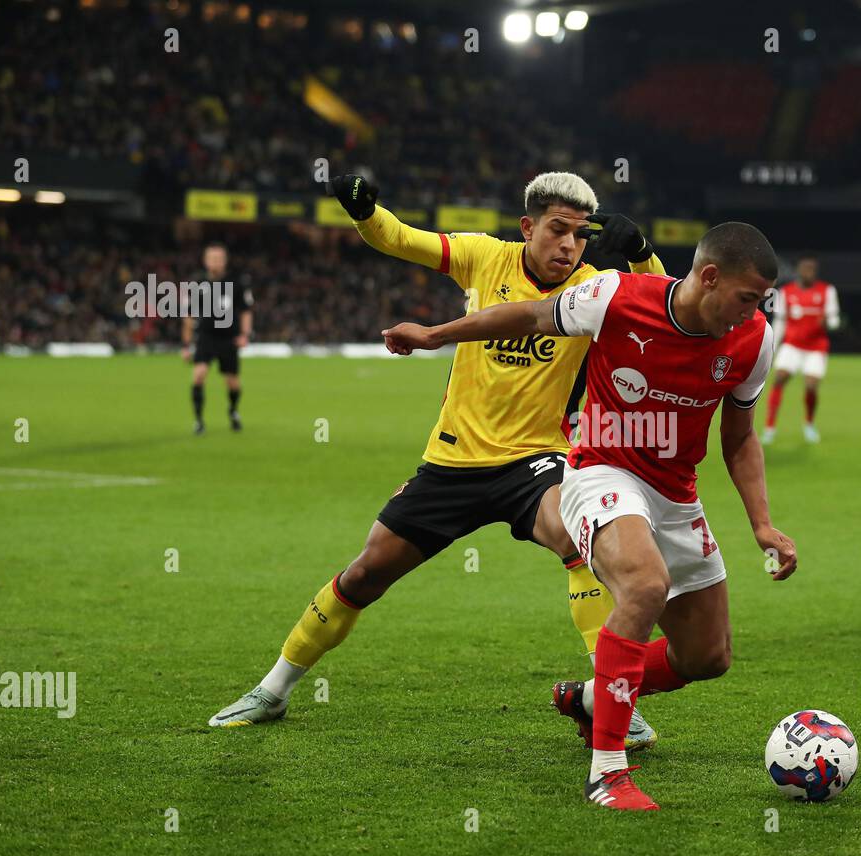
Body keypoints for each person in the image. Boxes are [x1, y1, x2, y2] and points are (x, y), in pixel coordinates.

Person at [208, 171, 664, 751]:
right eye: (557, 230)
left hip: (536, 461)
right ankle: (273, 689)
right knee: (365, 573)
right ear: (528, 228)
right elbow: (400, 239)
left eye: (579, 235)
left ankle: (614, 694)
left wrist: (642, 255)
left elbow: (672, 310)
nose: (569, 245)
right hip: (453, 462)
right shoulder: (483, 257)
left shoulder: (596, 286)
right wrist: (364, 212)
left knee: (579, 543)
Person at [380, 221, 798, 810]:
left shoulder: (754, 340)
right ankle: (608, 773)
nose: (753, 312)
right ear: (709, 277)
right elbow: (527, 316)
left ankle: (590, 699)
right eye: (747, 298)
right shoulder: (614, 296)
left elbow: (740, 439)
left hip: (675, 494)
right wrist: (434, 335)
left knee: (707, 657)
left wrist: (761, 522)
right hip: (599, 471)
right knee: (644, 585)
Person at [762, 255, 840, 444]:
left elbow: (836, 320)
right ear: (799, 270)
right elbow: (780, 322)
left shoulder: (827, 291)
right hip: (792, 346)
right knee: (779, 379)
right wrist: (774, 348)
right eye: (805, 268)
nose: (808, 272)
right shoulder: (786, 292)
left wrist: (828, 323)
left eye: (812, 269)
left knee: (811, 386)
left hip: (816, 347)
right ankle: (770, 427)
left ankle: (809, 424)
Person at [181, 243, 252, 434]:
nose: (216, 262)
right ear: (205, 261)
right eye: (212, 258)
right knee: (198, 376)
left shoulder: (237, 282)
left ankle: (233, 411)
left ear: (225, 261)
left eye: (219, 259)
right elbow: (188, 316)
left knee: (232, 382)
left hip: (229, 338)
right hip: (206, 337)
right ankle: (199, 421)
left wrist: (245, 335)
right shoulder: (196, 283)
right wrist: (186, 345)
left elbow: (245, 311)